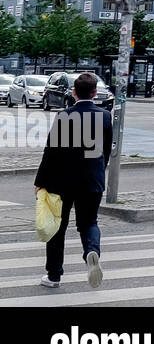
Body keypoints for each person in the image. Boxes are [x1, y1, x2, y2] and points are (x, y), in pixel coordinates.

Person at [34, 72, 112, 289]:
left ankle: (54, 276)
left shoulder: (64, 116)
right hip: (92, 181)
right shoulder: (105, 116)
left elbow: (51, 152)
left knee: (57, 227)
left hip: (62, 182)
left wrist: (40, 181)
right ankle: (92, 251)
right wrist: (98, 173)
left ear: (74, 93)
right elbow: (105, 152)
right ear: (95, 93)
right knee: (89, 223)